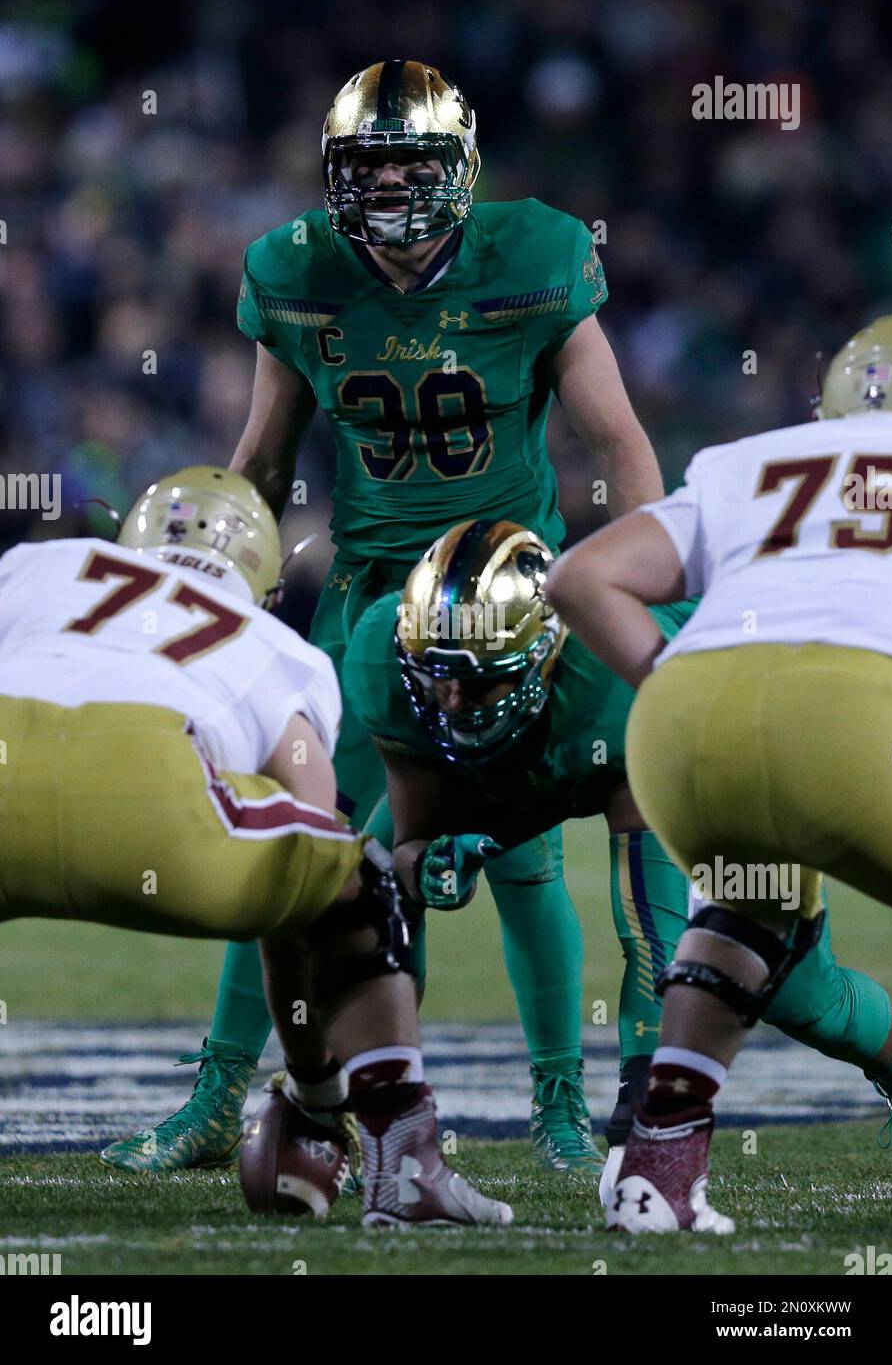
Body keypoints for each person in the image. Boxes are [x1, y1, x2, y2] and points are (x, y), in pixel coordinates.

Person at [102, 58, 664, 1174]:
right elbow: (259, 462)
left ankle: (559, 1105)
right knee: (300, 847)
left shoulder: (536, 258)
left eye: (414, 162)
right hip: (367, 600)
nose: (394, 185)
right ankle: (220, 1098)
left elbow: (617, 442)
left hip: (507, 589)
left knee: (525, 860)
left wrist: (648, 576)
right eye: (371, 165)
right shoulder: (298, 273)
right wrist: (219, 606)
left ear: (459, 170)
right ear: (333, 173)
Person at [0, 464, 511, 1227]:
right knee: (350, 880)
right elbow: (309, 842)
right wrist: (312, 1088)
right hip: (152, 802)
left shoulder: (36, 565)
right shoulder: (276, 643)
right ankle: (396, 1158)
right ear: (266, 584)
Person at [546, 316, 892, 1232]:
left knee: (744, 905)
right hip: (858, 716)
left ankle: (657, 1169)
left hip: (684, 730)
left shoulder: (750, 460)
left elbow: (580, 579)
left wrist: (677, 694)